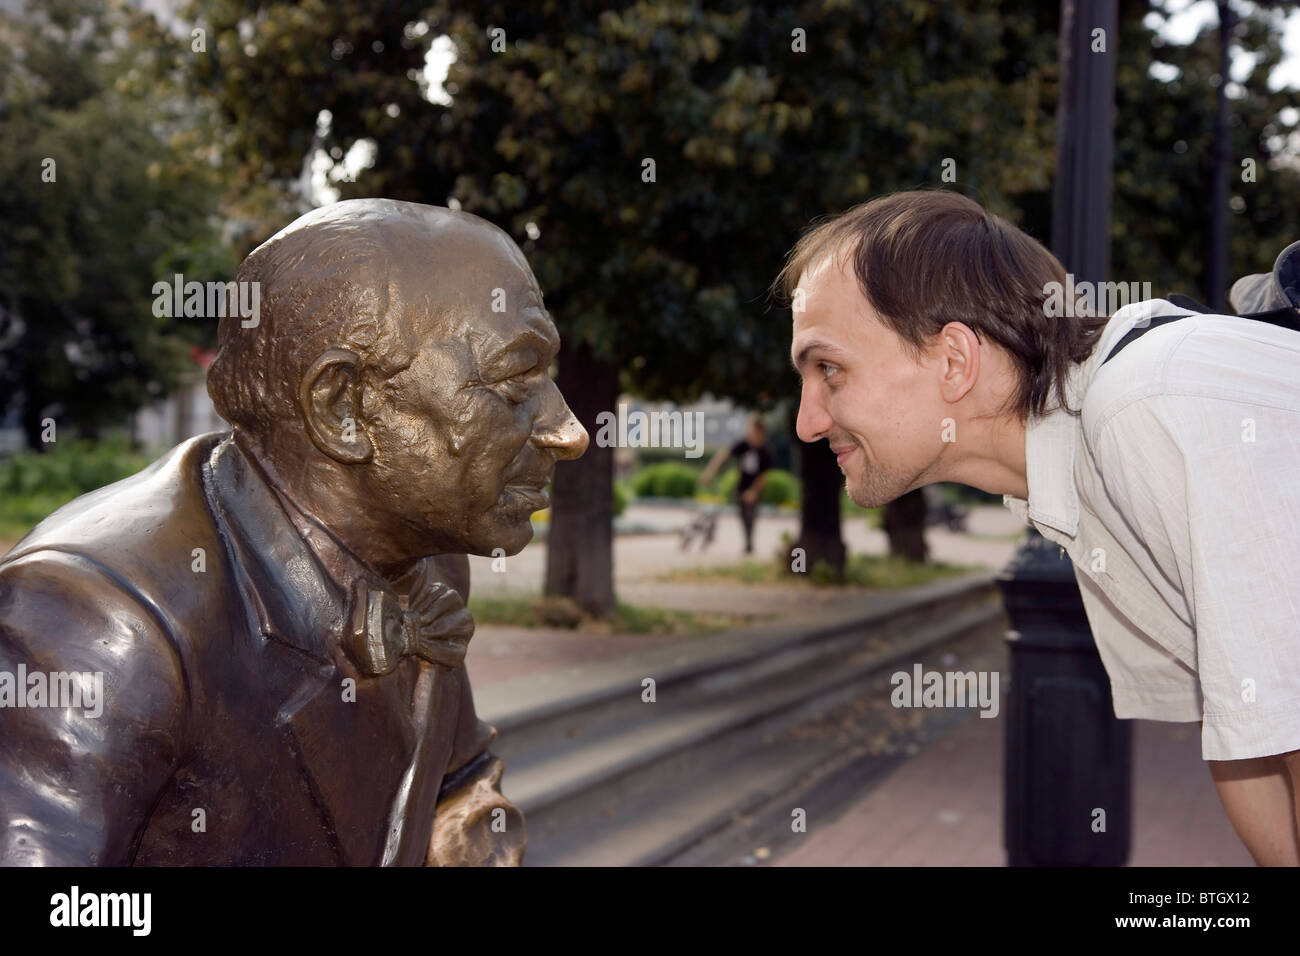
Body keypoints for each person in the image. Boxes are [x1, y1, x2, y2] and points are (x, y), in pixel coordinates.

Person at [0, 199, 589, 865]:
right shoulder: (99, 620)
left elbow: (457, 780)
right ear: (342, 407)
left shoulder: (429, 560)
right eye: (517, 383)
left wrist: (476, 831)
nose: (568, 432)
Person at [779, 189, 1300, 865]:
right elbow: (1249, 735)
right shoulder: (1080, 476)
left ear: (954, 361)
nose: (808, 421)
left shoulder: (1145, 406)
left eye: (829, 369)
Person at [699, 413, 774, 554]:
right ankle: (747, 542)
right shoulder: (743, 444)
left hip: (755, 488)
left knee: (750, 515)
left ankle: (749, 544)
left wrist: (753, 492)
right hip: (741, 485)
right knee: (742, 515)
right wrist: (710, 472)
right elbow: (724, 455)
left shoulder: (765, 451)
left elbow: (763, 476)